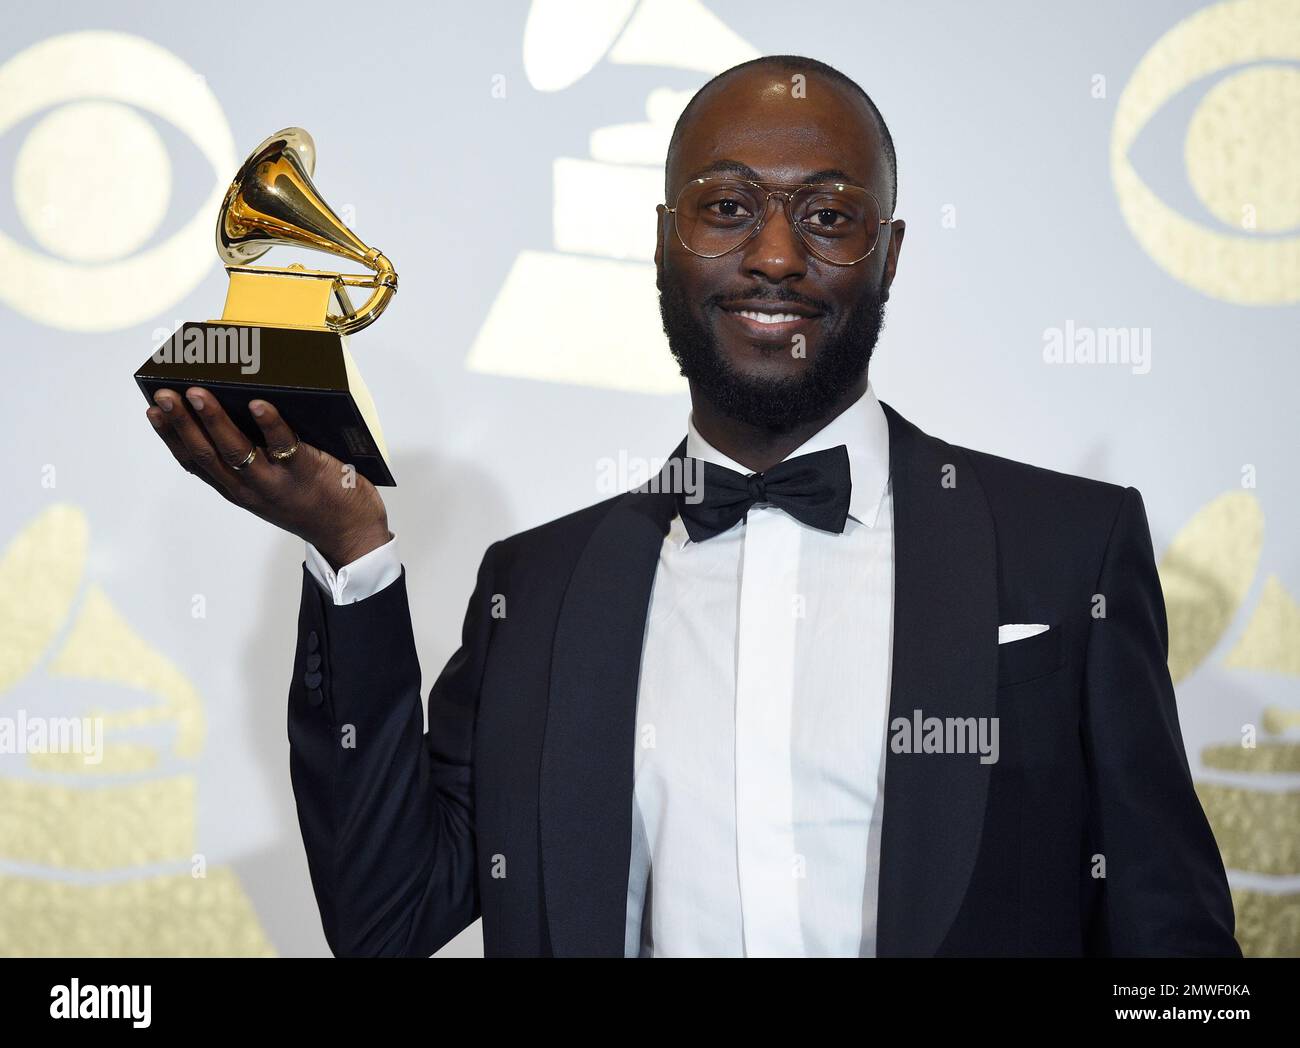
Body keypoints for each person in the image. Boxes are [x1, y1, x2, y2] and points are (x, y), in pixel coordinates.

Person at [143, 55, 1241, 958]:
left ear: (890, 255)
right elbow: (388, 916)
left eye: (827, 215)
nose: (773, 256)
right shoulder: (539, 591)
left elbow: (1174, 951)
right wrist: (350, 549)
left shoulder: (1069, 549)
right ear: (665, 241)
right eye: (726, 209)